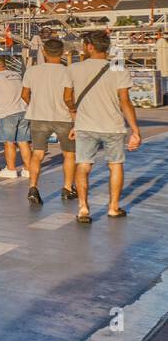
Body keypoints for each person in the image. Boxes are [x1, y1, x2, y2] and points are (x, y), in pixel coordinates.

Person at [64, 31, 141, 223]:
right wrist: (135, 130)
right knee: (115, 166)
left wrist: (76, 118)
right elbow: (125, 101)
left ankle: (83, 208)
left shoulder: (74, 68)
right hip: (113, 126)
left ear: (90, 46)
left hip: (85, 126)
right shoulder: (118, 68)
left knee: (83, 166)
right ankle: (113, 208)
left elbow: (67, 98)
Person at [20, 38, 75, 205]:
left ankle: (33, 187)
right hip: (63, 117)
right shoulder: (68, 72)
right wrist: (73, 111)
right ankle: (67, 188)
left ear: (44, 51)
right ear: (63, 51)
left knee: (37, 153)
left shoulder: (32, 71)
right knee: (69, 154)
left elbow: (24, 95)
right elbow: (68, 97)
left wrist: (35, 105)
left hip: (38, 116)